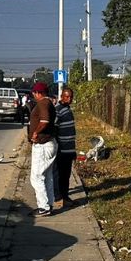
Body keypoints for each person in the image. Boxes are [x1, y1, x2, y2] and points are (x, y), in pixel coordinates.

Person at [27, 82, 57, 217]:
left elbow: (44, 121)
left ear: (38, 93)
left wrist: (35, 133)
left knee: (36, 177)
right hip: (49, 143)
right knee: (47, 176)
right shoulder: (49, 103)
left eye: (34, 93)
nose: (33, 95)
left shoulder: (43, 103)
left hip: (43, 145)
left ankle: (43, 207)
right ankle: (49, 204)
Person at [54, 87, 76, 207]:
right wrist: (58, 148)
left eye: (71, 97)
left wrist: (73, 151)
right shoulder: (59, 110)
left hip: (69, 149)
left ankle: (65, 196)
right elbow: (55, 128)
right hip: (62, 150)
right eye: (67, 96)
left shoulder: (68, 109)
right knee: (61, 175)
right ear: (61, 96)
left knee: (66, 175)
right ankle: (60, 197)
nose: (69, 99)